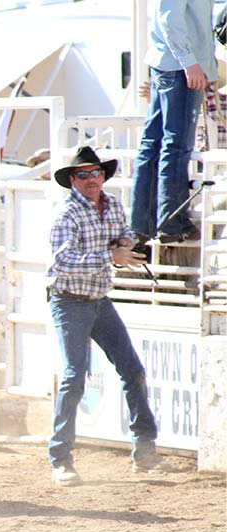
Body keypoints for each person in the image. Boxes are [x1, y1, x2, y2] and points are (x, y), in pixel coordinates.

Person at [47, 147, 165, 486]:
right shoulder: (66, 213)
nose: (90, 179)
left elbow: (122, 233)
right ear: (72, 180)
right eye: (82, 174)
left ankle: (144, 450)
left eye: (95, 172)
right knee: (74, 377)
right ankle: (61, 459)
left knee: (132, 370)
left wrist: (127, 246)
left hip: (97, 298)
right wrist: (112, 254)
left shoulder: (111, 205)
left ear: (103, 175)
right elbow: (62, 261)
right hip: (69, 300)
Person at [129, 0, 216, 245]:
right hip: (180, 66)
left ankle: (143, 222)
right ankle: (172, 221)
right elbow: (169, 19)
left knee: (154, 142)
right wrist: (190, 62)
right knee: (175, 144)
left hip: (169, 63)